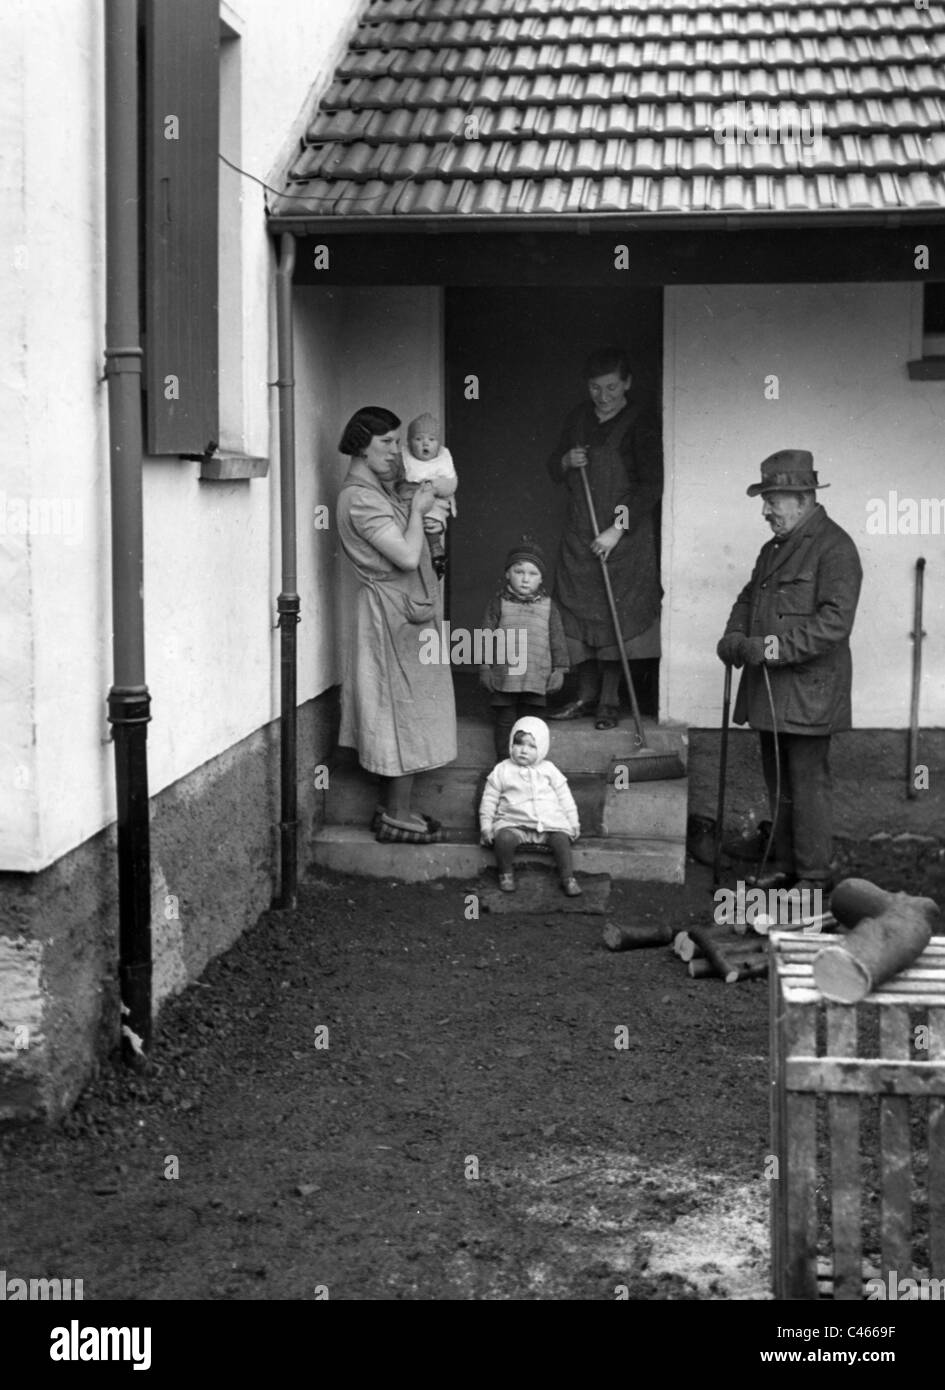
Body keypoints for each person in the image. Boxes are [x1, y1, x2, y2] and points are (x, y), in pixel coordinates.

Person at [716, 449, 863, 893]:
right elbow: (748, 598)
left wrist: (769, 647)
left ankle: (813, 877)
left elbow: (834, 624)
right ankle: (785, 865)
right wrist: (734, 634)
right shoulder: (772, 550)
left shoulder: (835, 548)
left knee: (807, 783)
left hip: (808, 693)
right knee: (779, 781)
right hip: (770, 689)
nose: (765, 511)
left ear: (801, 499)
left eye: (772, 500)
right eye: (765, 500)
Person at [335, 406, 457, 844]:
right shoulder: (359, 499)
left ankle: (396, 807)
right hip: (387, 612)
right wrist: (420, 509)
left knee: (407, 705)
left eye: (397, 441)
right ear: (360, 446)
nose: (395, 450)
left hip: (402, 610)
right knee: (399, 707)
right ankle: (396, 814)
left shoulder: (377, 490)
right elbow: (405, 556)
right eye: (386, 442)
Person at [547, 346, 662, 730]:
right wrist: (566, 461)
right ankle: (585, 696)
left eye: (612, 387)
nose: (604, 396)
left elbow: (651, 485)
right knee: (579, 614)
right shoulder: (579, 418)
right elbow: (552, 466)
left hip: (623, 538)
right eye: (595, 388)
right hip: (581, 532)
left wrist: (616, 529)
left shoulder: (642, 422)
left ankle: (610, 702)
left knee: (616, 615)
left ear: (627, 383)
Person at [478, 538, 570, 761]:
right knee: (505, 722)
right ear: (507, 574)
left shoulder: (548, 606)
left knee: (532, 724)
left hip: (536, 677)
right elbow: (486, 636)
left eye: (533, 573)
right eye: (519, 572)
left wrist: (560, 669)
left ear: (541, 578)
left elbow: (557, 638)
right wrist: (485, 667)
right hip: (505, 677)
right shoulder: (498, 603)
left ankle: (531, 765)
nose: (525, 579)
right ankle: (503, 765)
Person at [479, 716, 581, 896]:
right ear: (511, 744)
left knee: (561, 840)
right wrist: (486, 826)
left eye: (532, 746)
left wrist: (573, 822)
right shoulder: (502, 769)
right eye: (518, 743)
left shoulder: (549, 769)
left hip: (549, 824)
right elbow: (489, 799)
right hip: (514, 823)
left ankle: (568, 878)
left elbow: (565, 797)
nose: (523, 750)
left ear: (542, 748)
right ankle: (506, 874)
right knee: (503, 839)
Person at [397, 413, 457, 579]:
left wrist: (435, 487)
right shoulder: (403, 459)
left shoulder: (442, 459)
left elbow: (450, 484)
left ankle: (436, 551)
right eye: (418, 439)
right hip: (408, 501)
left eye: (431, 439)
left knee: (431, 522)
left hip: (433, 499)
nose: (425, 443)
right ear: (409, 442)